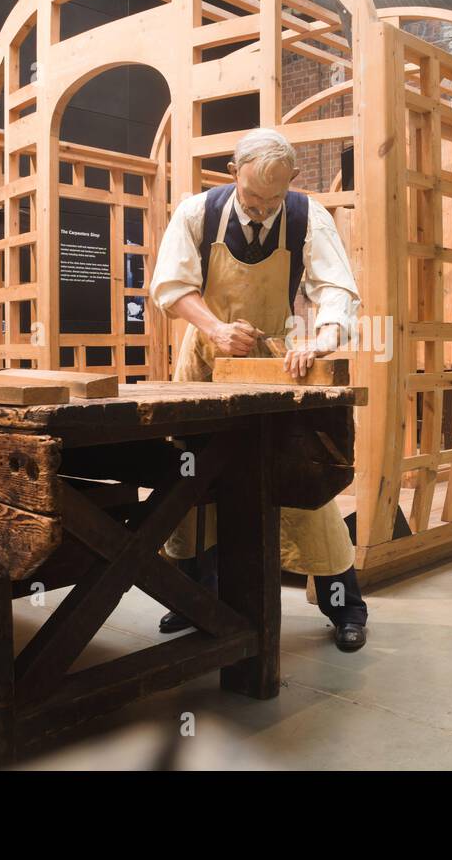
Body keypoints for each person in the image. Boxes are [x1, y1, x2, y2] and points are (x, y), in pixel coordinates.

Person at [148, 128, 369, 652]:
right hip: (205, 357)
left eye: (275, 197)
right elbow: (171, 287)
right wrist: (214, 328)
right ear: (234, 173)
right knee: (193, 480)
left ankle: (345, 607)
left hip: (272, 364)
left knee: (304, 477)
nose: (264, 207)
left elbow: (337, 287)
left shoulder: (306, 215)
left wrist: (322, 339)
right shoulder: (197, 212)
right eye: (253, 197)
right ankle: (193, 602)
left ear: (291, 181)